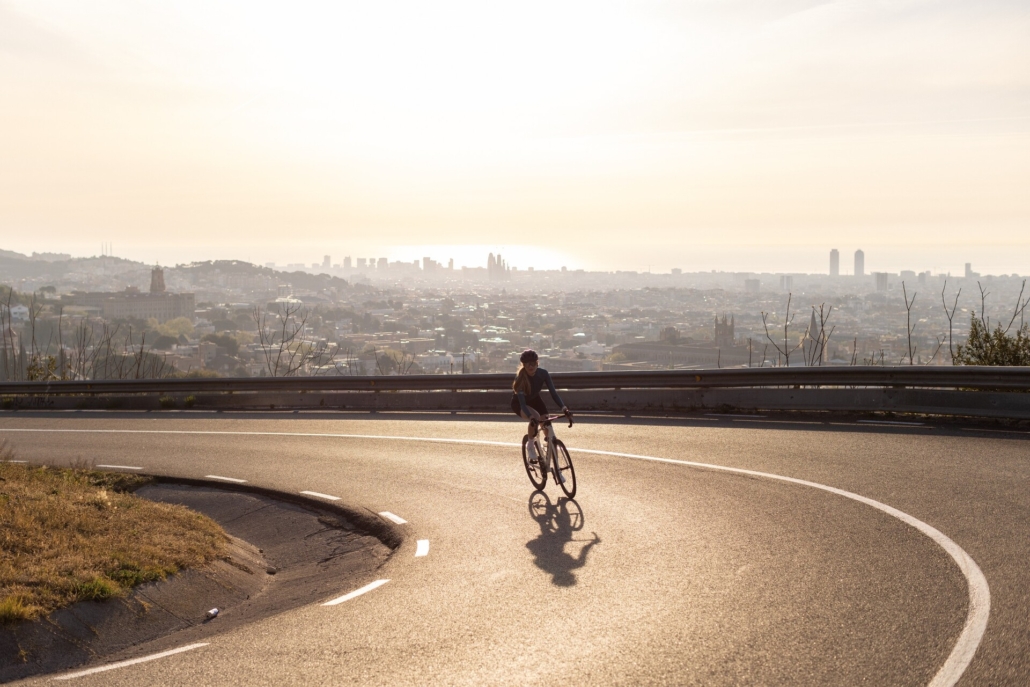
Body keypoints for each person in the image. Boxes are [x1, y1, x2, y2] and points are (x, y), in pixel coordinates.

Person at [511, 349, 571, 475]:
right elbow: (522, 404)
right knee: (536, 417)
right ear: (524, 365)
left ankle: (554, 465)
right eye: (528, 364)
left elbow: (554, 394)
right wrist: (531, 417)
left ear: (537, 363)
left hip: (535, 400)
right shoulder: (521, 379)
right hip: (520, 404)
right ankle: (531, 444)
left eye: (533, 363)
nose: (531, 366)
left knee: (548, 426)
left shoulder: (543, 374)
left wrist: (564, 408)